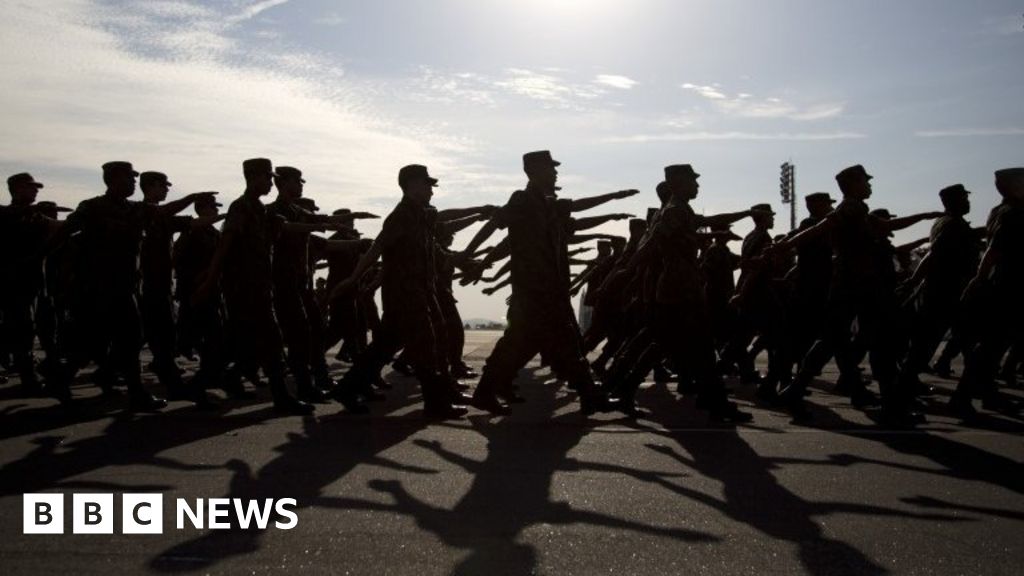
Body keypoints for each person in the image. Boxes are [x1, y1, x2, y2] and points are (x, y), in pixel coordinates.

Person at [329, 164, 469, 419]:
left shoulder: (422, 216)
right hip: (405, 294)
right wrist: (353, 278)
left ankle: (347, 389)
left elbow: (432, 249)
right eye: (427, 185)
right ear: (412, 185)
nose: (431, 191)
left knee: (386, 345)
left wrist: (457, 259)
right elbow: (378, 248)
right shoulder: (400, 216)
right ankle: (436, 404)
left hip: (422, 290)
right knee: (427, 345)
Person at [195, 158, 315, 415]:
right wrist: (210, 280)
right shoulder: (241, 207)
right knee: (269, 340)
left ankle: (206, 383)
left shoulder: (261, 210)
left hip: (259, 285)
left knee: (240, 342)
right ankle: (281, 397)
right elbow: (225, 245)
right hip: (243, 287)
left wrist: (319, 225)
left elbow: (286, 229)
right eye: (267, 178)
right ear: (253, 177)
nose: (271, 183)